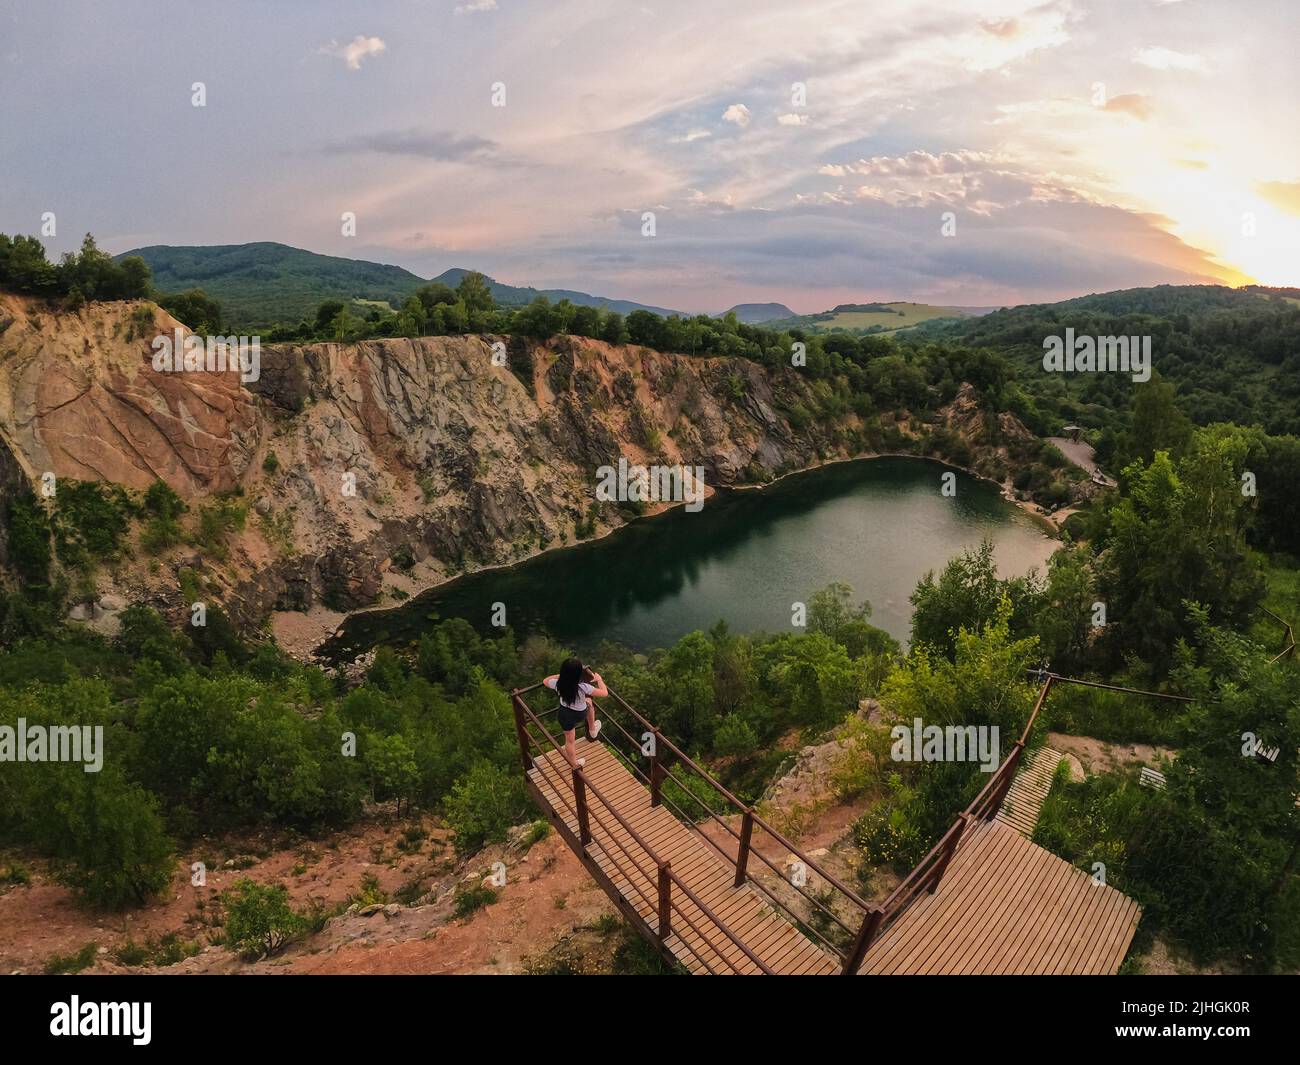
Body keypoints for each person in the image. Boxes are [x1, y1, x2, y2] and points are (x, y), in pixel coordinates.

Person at [543, 657, 607, 768]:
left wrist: (562, 676)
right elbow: (604, 693)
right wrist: (599, 680)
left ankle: (574, 764)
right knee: (589, 702)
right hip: (579, 714)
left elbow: (545, 680)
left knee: (570, 740)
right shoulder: (583, 687)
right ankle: (592, 729)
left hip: (564, 714)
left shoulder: (558, 684)